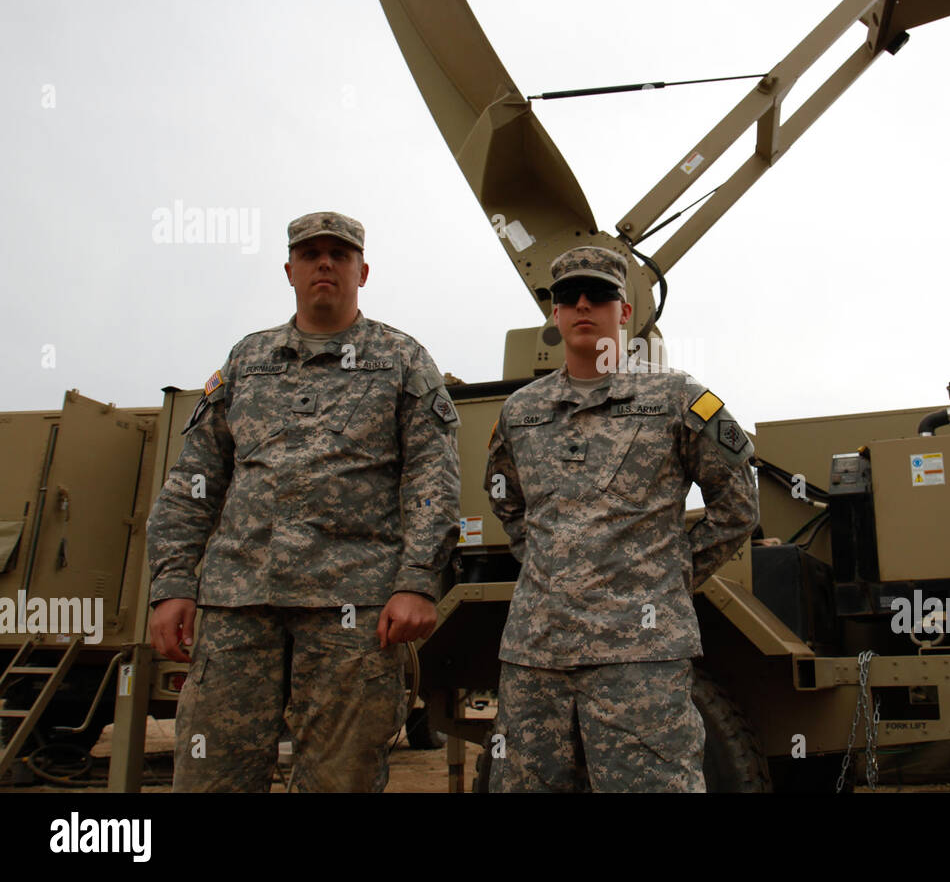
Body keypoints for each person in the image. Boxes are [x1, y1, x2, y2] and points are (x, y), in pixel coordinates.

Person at [147, 210, 461, 792]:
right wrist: (171, 585)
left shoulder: (402, 361)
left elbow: (431, 479)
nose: (324, 263)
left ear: (361, 272)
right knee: (210, 778)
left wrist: (417, 580)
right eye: (311, 254)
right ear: (288, 270)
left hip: (352, 611)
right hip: (238, 606)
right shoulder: (247, 361)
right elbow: (194, 480)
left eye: (338, 255)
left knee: (339, 781)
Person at [484, 245, 759, 792]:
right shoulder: (521, 411)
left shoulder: (679, 398)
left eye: (601, 294)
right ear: (555, 314)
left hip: (641, 655)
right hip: (536, 657)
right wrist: (550, 565)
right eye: (569, 296)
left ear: (625, 311)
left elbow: (739, 505)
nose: (584, 305)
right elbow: (505, 499)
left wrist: (668, 573)